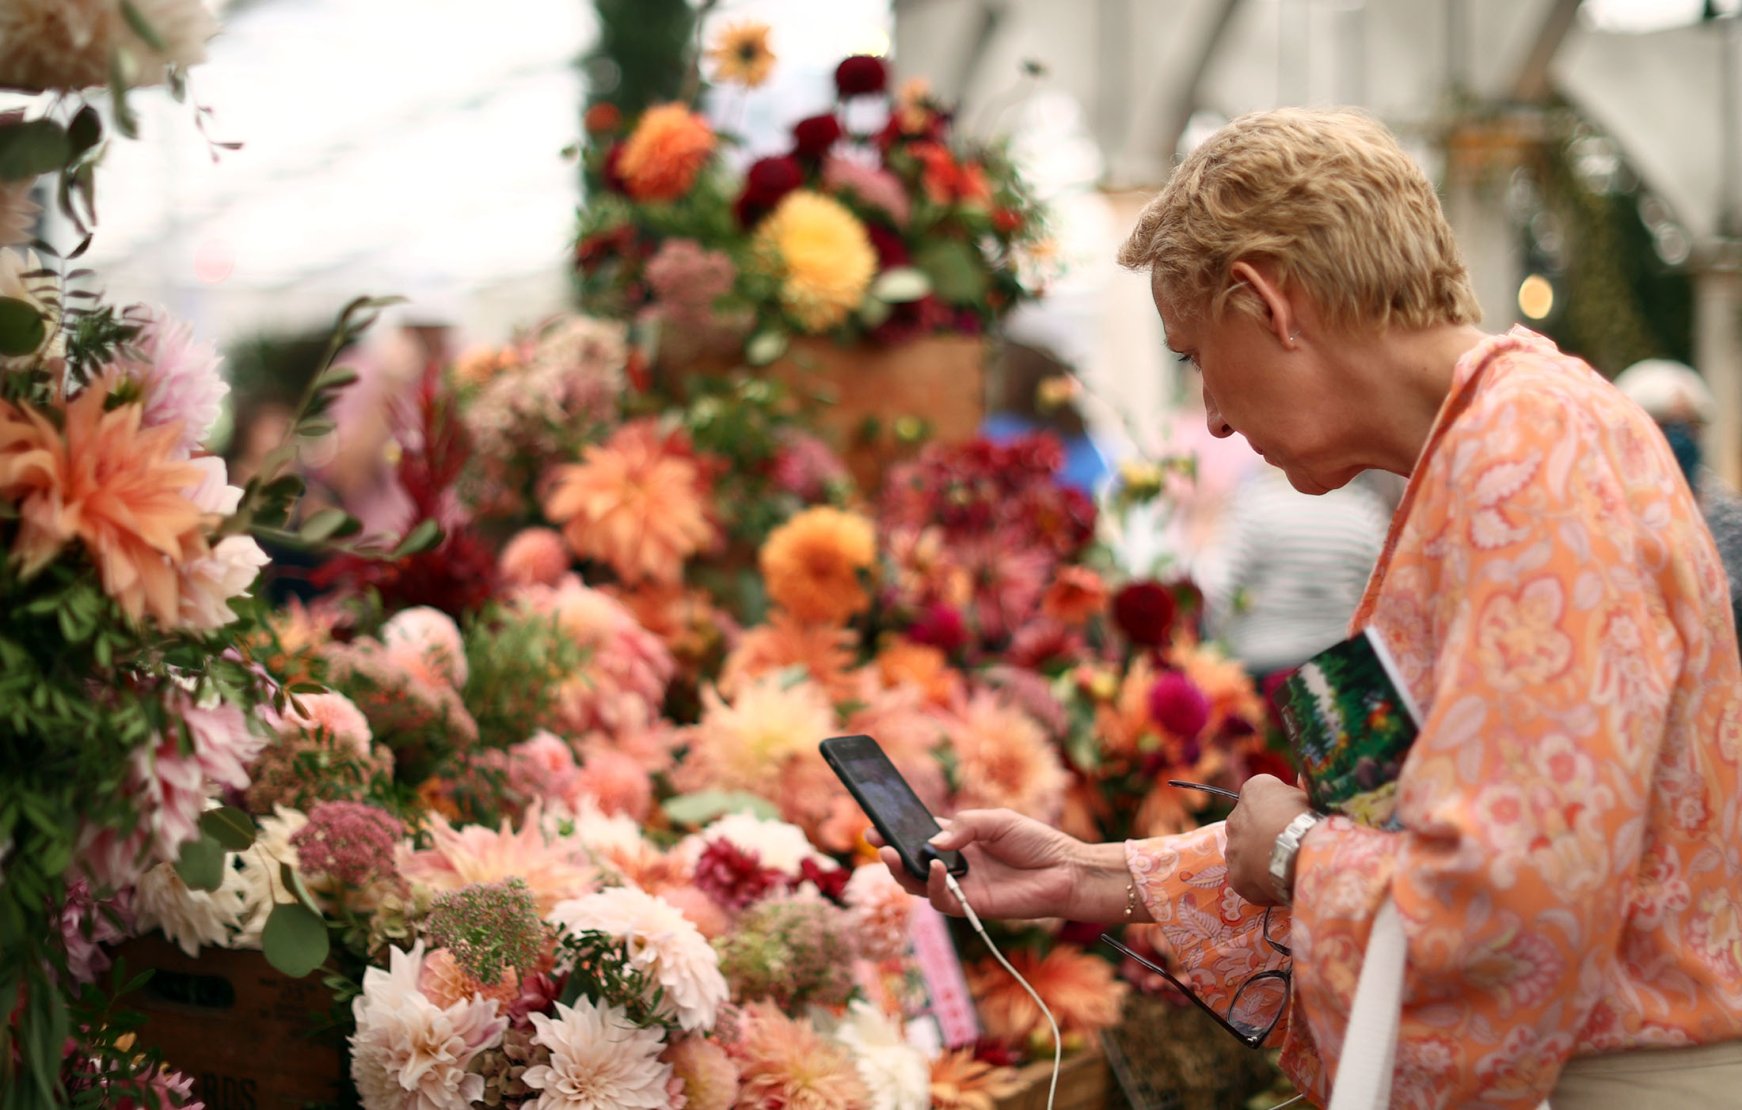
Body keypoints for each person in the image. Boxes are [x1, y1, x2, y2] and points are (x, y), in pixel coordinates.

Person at [879, 108, 1742, 1106]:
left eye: (1195, 356)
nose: (1210, 416)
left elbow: (1512, 902)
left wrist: (1296, 851)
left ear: (1267, 304)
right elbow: (1432, 835)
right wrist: (1091, 875)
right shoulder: (1502, 438)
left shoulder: (1527, 455)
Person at [1204, 463, 1390, 678]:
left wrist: (1216, 645)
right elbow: (1379, 597)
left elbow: (1224, 587)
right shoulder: (1364, 510)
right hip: (1334, 668)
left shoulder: (1257, 503)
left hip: (1261, 662)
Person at [1612, 357, 1742, 651]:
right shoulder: (1604, 513)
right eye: (1664, 424)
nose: (1680, 437)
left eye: (1691, 425)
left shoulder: (1731, 520)